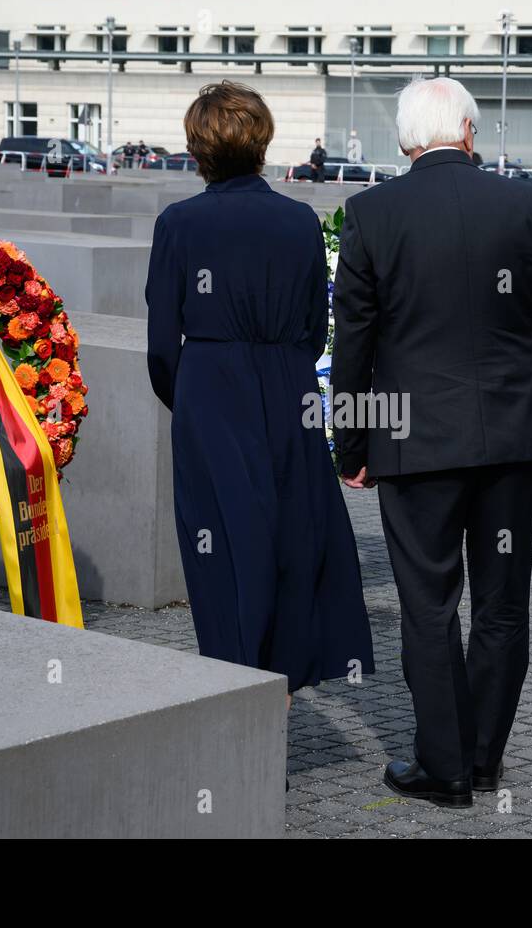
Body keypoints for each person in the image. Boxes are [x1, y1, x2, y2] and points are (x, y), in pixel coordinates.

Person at [331, 77, 532, 808]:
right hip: (510, 439)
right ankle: (482, 758)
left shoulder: (370, 213)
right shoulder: (524, 204)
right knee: (502, 604)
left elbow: (354, 345)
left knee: (429, 605)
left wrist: (353, 447)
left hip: (413, 441)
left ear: (407, 141)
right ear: (470, 132)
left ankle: (443, 767)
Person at [145, 82, 375, 724]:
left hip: (212, 390)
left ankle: (233, 690)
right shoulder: (299, 220)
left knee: (219, 543)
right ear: (263, 143)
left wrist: (188, 397)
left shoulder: (180, 223)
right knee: (288, 538)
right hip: (288, 386)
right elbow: (313, 325)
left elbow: (163, 341)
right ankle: (282, 678)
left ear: (198, 148)